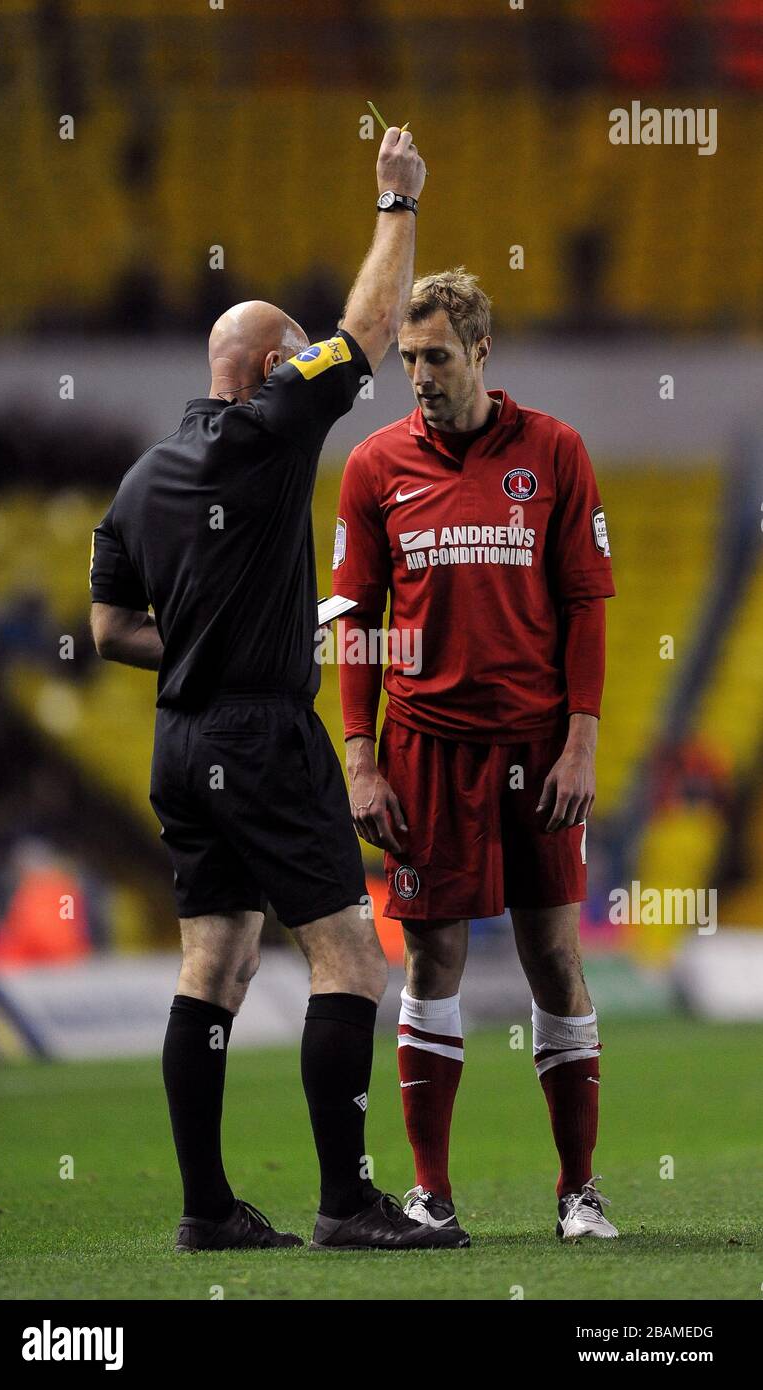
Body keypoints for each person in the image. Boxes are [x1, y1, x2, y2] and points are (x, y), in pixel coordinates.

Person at [90, 131, 465, 1252]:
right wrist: (395, 204)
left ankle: (207, 1209)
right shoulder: (264, 431)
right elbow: (359, 335)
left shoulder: (143, 477)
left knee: (214, 961)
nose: (311, 373)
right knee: (347, 951)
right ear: (265, 370)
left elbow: (109, 628)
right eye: (293, 359)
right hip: (257, 733)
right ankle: (346, 1199)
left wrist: (204, 642)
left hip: (179, 737)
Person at [332, 268, 619, 1241]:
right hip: (422, 749)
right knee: (431, 953)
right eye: (406, 357)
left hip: (538, 744)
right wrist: (359, 759)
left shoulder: (554, 451)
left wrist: (580, 742)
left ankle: (577, 1192)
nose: (416, 373)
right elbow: (356, 625)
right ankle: (429, 1196)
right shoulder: (373, 466)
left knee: (550, 951)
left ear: (480, 353)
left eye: (435, 357)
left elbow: (584, 604)